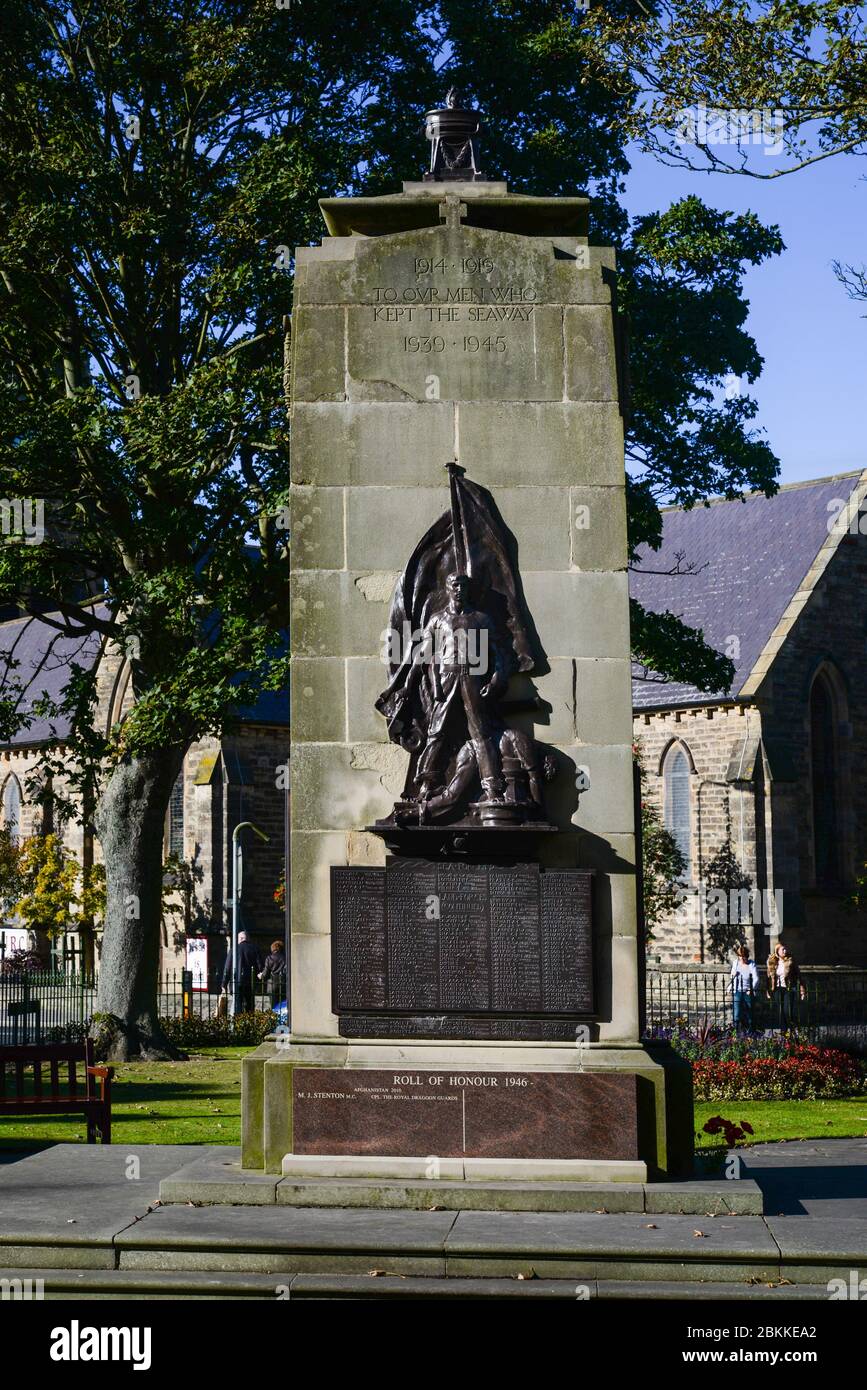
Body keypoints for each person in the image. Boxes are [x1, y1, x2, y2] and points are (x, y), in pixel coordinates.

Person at [766, 941, 806, 1031]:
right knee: (781, 1012)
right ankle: (784, 1034)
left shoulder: (790, 961)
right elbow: (768, 978)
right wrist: (768, 990)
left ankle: (793, 1030)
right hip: (777, 989)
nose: (785, 950)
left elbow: (799, 975)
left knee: (788, 1011)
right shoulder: (772, 962)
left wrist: (802, 989)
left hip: (789, 988)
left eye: (785, 948)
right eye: (782, 949)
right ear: (777, 952)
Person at [221, 931, 261, 1014]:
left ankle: (237, 1022)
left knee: (237, 1004)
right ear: (247, 938)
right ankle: (249, 1022)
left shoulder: (234, 949)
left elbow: (227, 968)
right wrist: (259, 981)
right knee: (249, 1005)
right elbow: (260, 967)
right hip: (250, 982)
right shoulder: (255, 949)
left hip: (236, 982)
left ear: (240, 939)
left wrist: (224, 984)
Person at [729, 943, 759, 1034]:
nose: (742, 959)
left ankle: (751, 1032)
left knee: (750, 1013)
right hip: (737, 991)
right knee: (736, 1014)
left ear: (747, 956)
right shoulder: (736, 963)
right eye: (741, 957)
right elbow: (732, 976)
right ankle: (736, 1032)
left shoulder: (751, 964)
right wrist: (731, 982)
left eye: (744, 957)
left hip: (747, 991)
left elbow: (756, 978)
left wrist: (751, 989)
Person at [259, 940, 286, 1009]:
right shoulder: (285, 958)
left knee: (273, 1006)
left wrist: (260, 975)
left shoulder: (269, 958)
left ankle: (275, 1017)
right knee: (283, 1005)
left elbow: (265, 974)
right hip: (283, 984)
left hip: (272, 985)